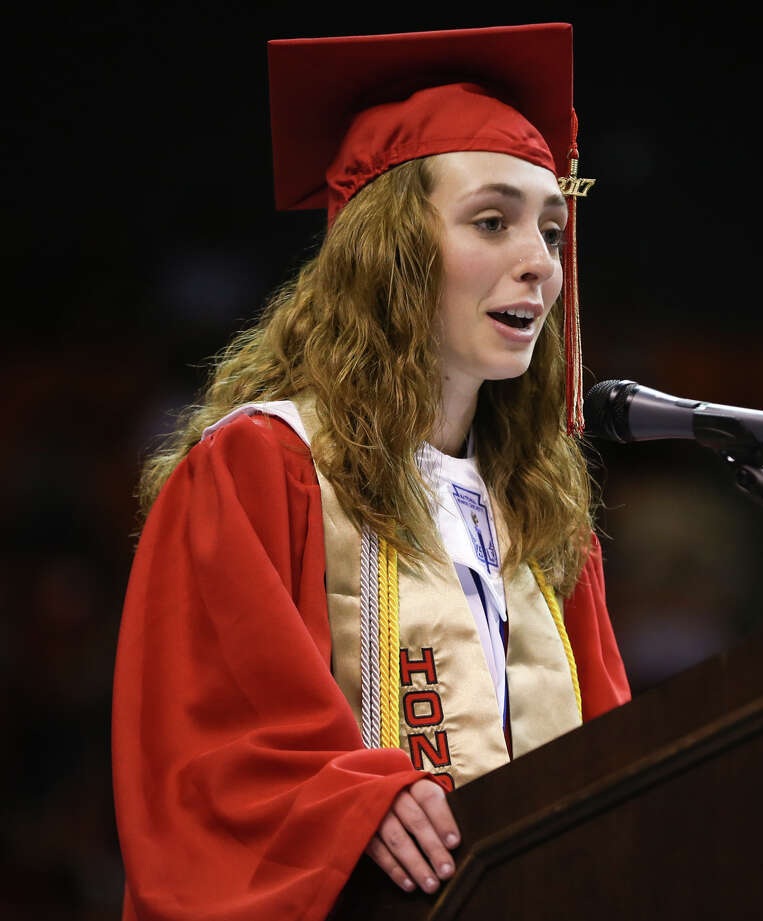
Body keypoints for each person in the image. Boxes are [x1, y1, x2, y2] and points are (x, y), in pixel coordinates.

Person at [111, 24, 629, 921]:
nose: (541, 262)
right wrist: (355, 800)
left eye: (551, 227)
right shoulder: (260, 465)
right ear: (386, 254)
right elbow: (206, 744)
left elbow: (620, 747)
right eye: (492, 220)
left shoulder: (537, 502)